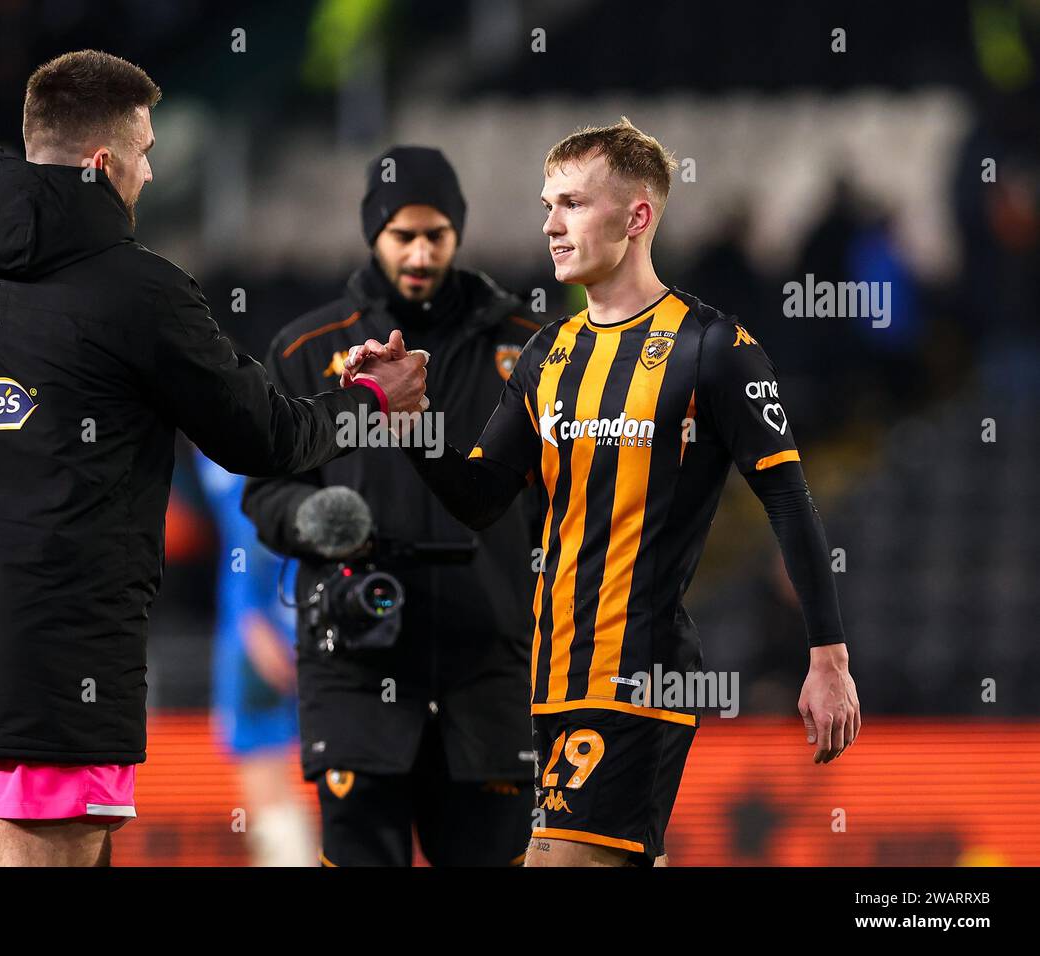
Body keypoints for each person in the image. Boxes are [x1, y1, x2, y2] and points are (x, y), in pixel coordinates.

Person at [0, 49, 424, 867]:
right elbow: (265, 439)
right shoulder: (138, 291)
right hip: (62, 656)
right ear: (103, 161)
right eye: (146, 152)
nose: (151, 173)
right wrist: (370, 402)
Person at [350, 118, 861, 867]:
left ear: (638, 216)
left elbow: (787, 499)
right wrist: (414, 421)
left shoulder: (712, 348)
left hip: (635, 675)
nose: (552, 225)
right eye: (547, 204)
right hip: (552, 677)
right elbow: (481, 494)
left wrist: (829, 659)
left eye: (574, 204)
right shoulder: (546, 355)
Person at [243, 146, 541, 866]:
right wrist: (312, 522)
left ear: (458, 233)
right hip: (355, 661)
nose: (419, 251)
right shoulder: (309, 348)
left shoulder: (528, 348)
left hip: (489, 663)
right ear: (372, 232)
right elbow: (265, 488)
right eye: (402, 234)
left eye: (435, 233)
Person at [193, 450, 316, 866]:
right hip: (294, 612)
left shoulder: (220, 423)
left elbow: (247, 528)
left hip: (266, 618)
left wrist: (250, 615)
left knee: (267, 777)